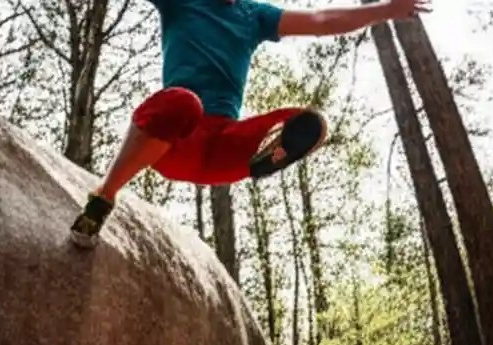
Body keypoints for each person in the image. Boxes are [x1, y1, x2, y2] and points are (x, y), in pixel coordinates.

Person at [69, 0, 432, 248]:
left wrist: (387, 9)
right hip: (175, 143)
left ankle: (264, 157)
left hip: (224, 149)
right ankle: (103, 198)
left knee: (305, 122)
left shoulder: (253, 15)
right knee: (183, 101)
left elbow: (321, 22)